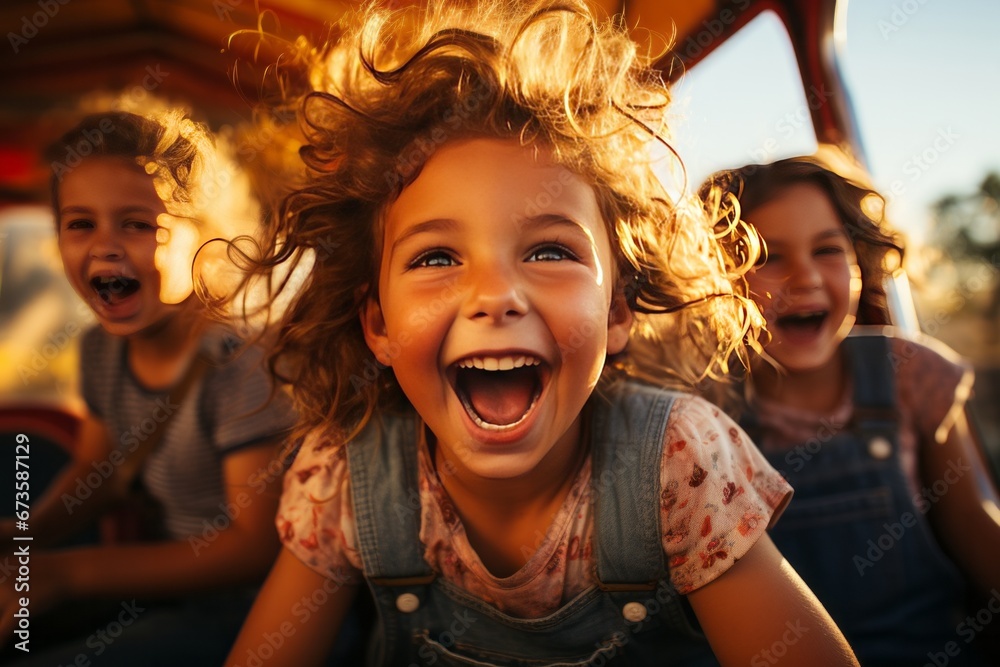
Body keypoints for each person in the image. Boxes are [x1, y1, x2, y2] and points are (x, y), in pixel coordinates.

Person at [224, 2, 861, 666]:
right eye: (437, 258)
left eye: (550, 252)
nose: (496, 295)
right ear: (378, 324)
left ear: (617, 310)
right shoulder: (344, 476)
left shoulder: (678, 462)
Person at [0, 105, 297, 665]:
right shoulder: (99, 351)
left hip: (249, 607)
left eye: (138, 225)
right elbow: (100, 473)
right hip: (152, 590)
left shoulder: (241, 362)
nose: (106, 246)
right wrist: (24, 539)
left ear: (205, 241)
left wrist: (69, 574)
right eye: (80, 224)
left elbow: (254, 547)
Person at [704, 149, 1000, 666]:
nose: (805, 278)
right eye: (770, 257)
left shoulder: (910, 374)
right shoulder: (705, 410)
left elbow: (978, 531)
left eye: (827, 250)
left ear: (859, 258)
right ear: (719, 278)